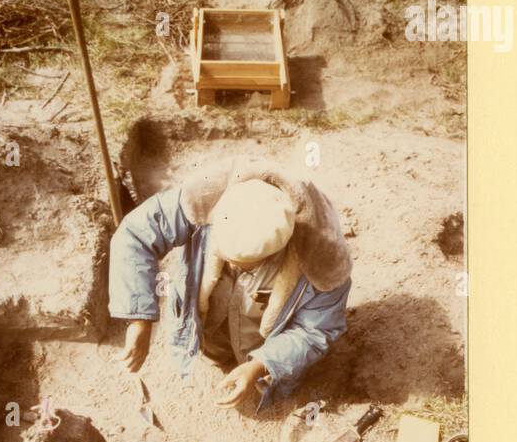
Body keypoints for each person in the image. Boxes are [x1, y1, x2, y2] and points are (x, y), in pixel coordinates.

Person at [108, 157, 352, 410]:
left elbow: (313, 331)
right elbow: (135, 236)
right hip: (212, 328)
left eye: (243, 264)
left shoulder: (323, 258)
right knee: (214, 342)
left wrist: (260, 365)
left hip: (264, 346)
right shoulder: (206, 197)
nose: (231, 266)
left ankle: (251, 364)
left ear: (276, 251)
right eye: (224, 257)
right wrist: (138, 320)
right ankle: (218, 352)